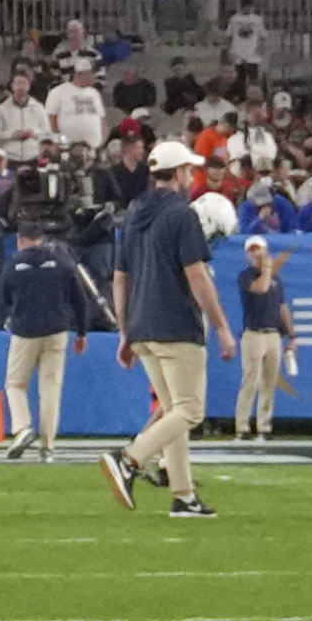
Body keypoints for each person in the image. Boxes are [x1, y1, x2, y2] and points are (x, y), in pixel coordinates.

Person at [99, 137, 230, 517]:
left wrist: (125, 330)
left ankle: (183, 495)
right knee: (190, 410)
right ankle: (129, 459)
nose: (192, 176)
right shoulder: (182, 214)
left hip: (142, 324)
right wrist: (222, 326)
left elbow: (120, 278)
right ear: (180, 172)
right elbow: (197, 275)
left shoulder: (134, 213)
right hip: (174, 322)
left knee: (173, 410)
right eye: (189, 170)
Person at [0, 219, 104, 460]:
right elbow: (80, 299)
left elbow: (2, 300)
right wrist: (82, 332)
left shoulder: (14, 265)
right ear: (42, 239)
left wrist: (7, 319)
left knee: (15, 384)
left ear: (20, 241)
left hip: (25, 331)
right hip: (57, 330)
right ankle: (48, 446)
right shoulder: (62, 263)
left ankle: (23, 427)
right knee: (50, 389)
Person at [230, 233, 290, 440]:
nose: (256, 253)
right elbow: (261, 288)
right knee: (250, 381)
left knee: (269, 382)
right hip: (253, 334)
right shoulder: (246, 276)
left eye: (259, 249)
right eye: (252, 250)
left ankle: (264, 425)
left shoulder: (277, 280)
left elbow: (282, 307)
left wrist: (291, 334)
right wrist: (266, 270)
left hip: (273, 333)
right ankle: (242, 426)